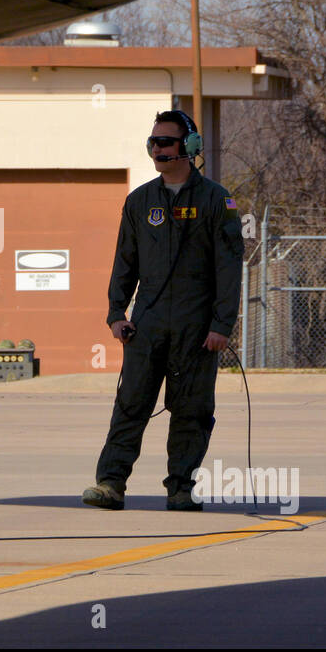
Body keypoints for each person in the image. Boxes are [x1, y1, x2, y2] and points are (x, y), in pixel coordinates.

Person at [83, 110, 243, 510]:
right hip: (148, 325)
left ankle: (181, 487)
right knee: (130, 405)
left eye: (166, 142)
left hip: (197, 328)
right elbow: (125, 262)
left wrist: (222, 325)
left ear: (189, 146)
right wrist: (116, 313)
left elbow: (229, 268)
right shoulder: (139, 201)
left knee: (191, 409)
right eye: (153, 142)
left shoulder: (216, 200)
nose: (157, 149)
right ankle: (111, 483)